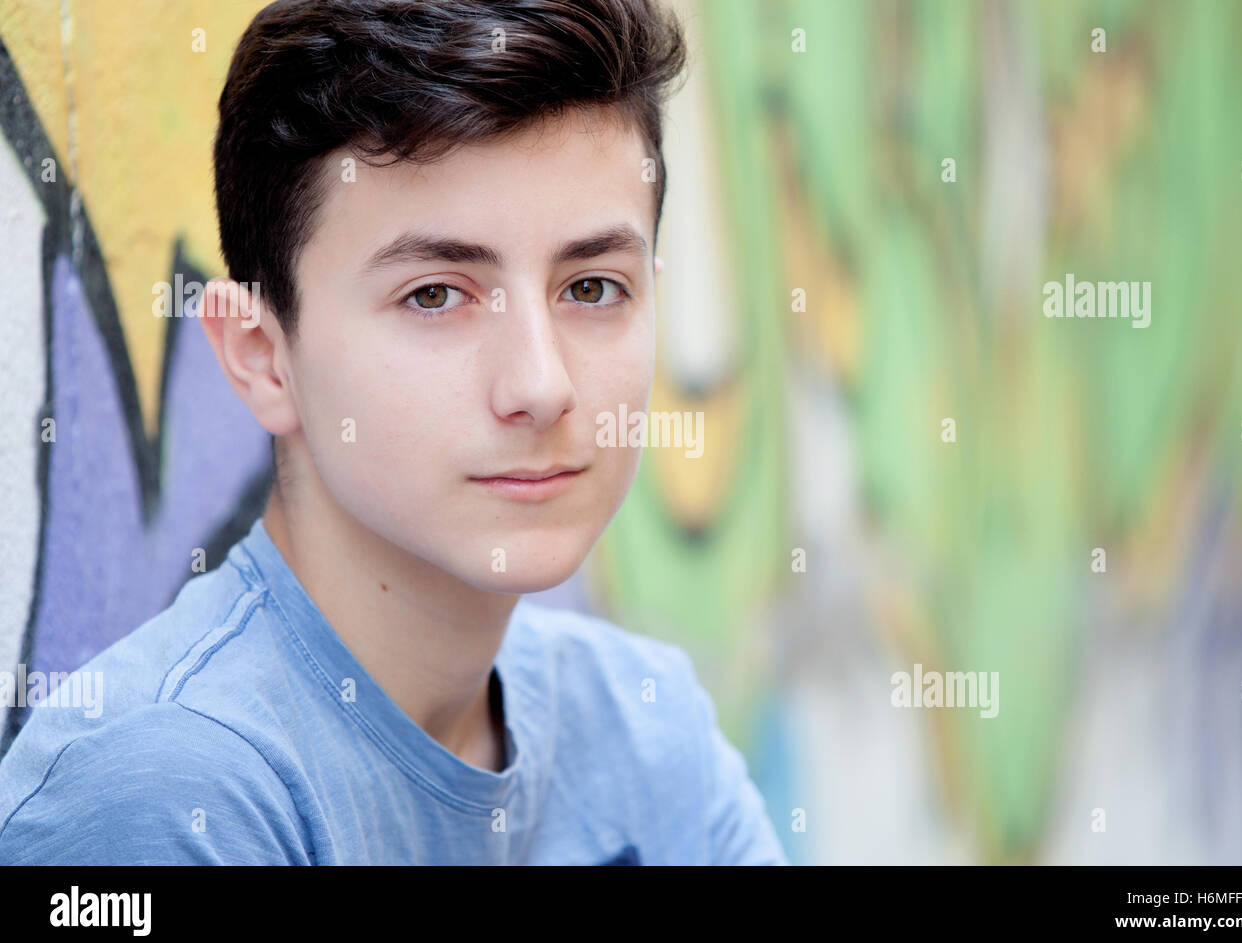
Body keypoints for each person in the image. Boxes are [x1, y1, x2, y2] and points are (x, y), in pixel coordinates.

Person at [0, 0, 787, 865]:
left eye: (593, 288)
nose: (542, 386)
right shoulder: (170, 794)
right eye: (435, 295)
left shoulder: (647, 732)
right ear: (264, 360)